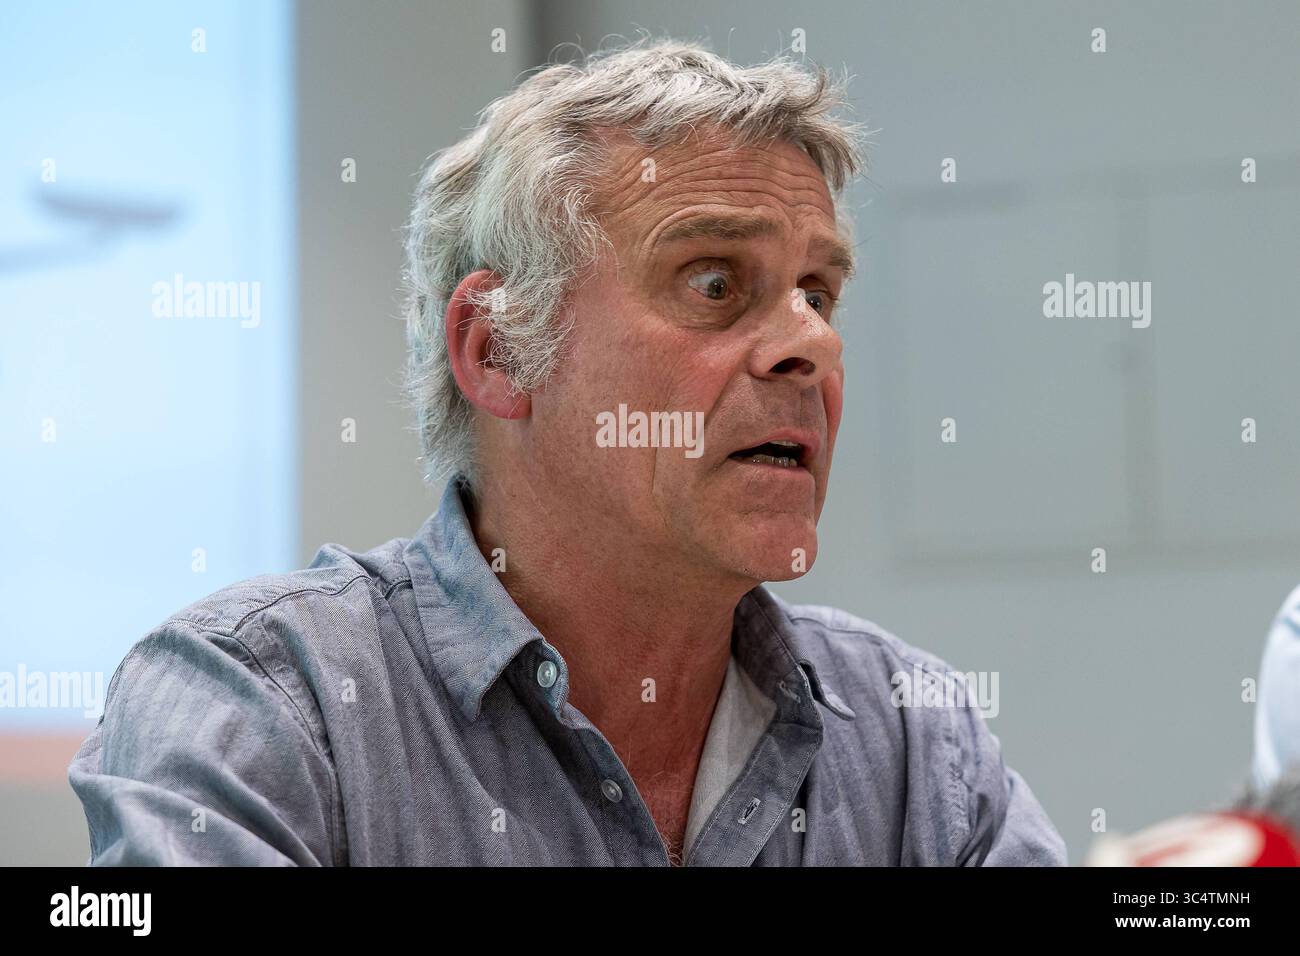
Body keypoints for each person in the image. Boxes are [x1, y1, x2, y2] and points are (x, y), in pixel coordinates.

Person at [69, 39, 1066, 866]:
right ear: (497, 348)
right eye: (714, 282)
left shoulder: (910, 731)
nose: (812, 342)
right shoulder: (263, 706)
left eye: (819, 289)